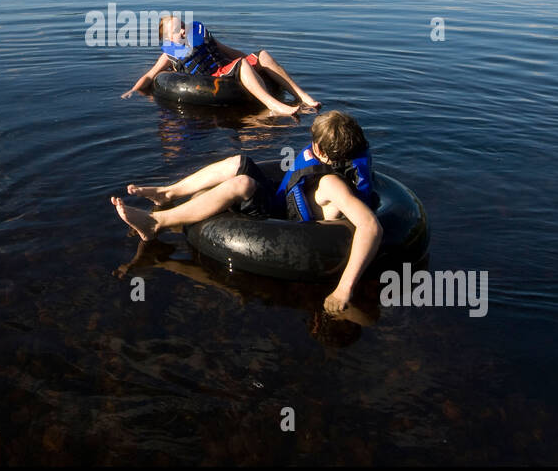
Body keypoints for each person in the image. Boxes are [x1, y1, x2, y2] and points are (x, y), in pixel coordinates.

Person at [111, 111, 381, 314]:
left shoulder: (332, 183)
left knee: (242, 184)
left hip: (285, 226)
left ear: (319, 150)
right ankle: (169, 192)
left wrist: (344, 288)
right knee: (238, 162)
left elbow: (370, 226)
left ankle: (157, 222)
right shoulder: (339, 167)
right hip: (283, 205)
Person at [121, 16, 320, 117]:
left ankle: (302, 97)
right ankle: (273, 105)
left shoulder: (202, 39)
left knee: (262, 55)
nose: (183, 30)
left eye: (183, 25)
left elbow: (231, 53)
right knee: (241, 64)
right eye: (177, 30)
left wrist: (257, 62)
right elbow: (150, 76)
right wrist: (133, 90)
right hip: (213, 79)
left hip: (227, 67)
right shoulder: (168, 55)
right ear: (168, 38)